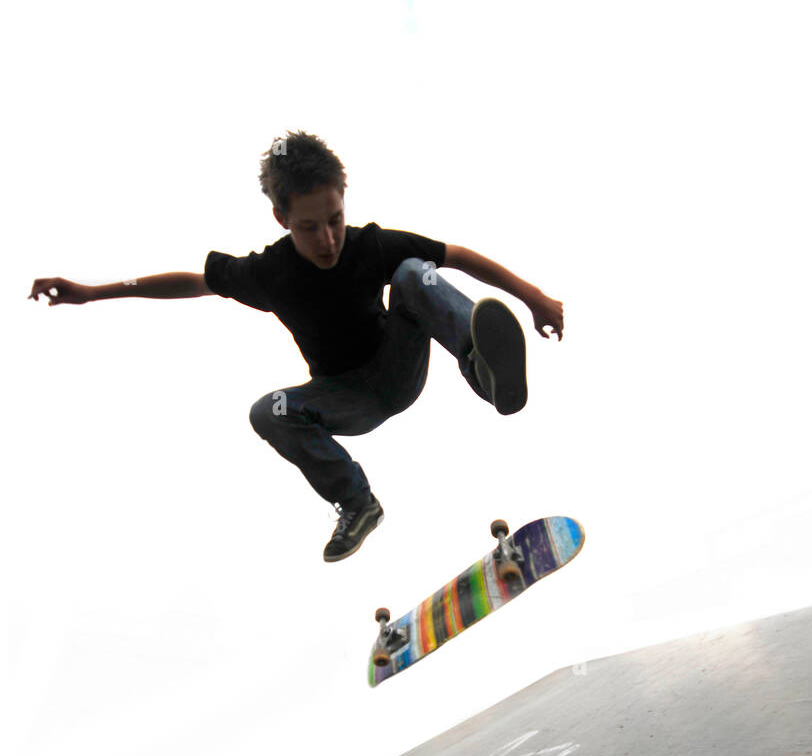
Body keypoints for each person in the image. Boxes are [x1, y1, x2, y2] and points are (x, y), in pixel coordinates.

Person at [29, 130, 564, 561]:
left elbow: (459, 256)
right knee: (269, 410)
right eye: (310, 228)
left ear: (344, 202)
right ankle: (357, 503)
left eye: (335, 220)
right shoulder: (269, 273)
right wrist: (92, 294)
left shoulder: (369, 245)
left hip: (398, 364)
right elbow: (191, 283)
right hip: (341, 398)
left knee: (411, 273)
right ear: (282, 220)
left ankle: (481, 366)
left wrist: (535, 297)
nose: (329, 239)